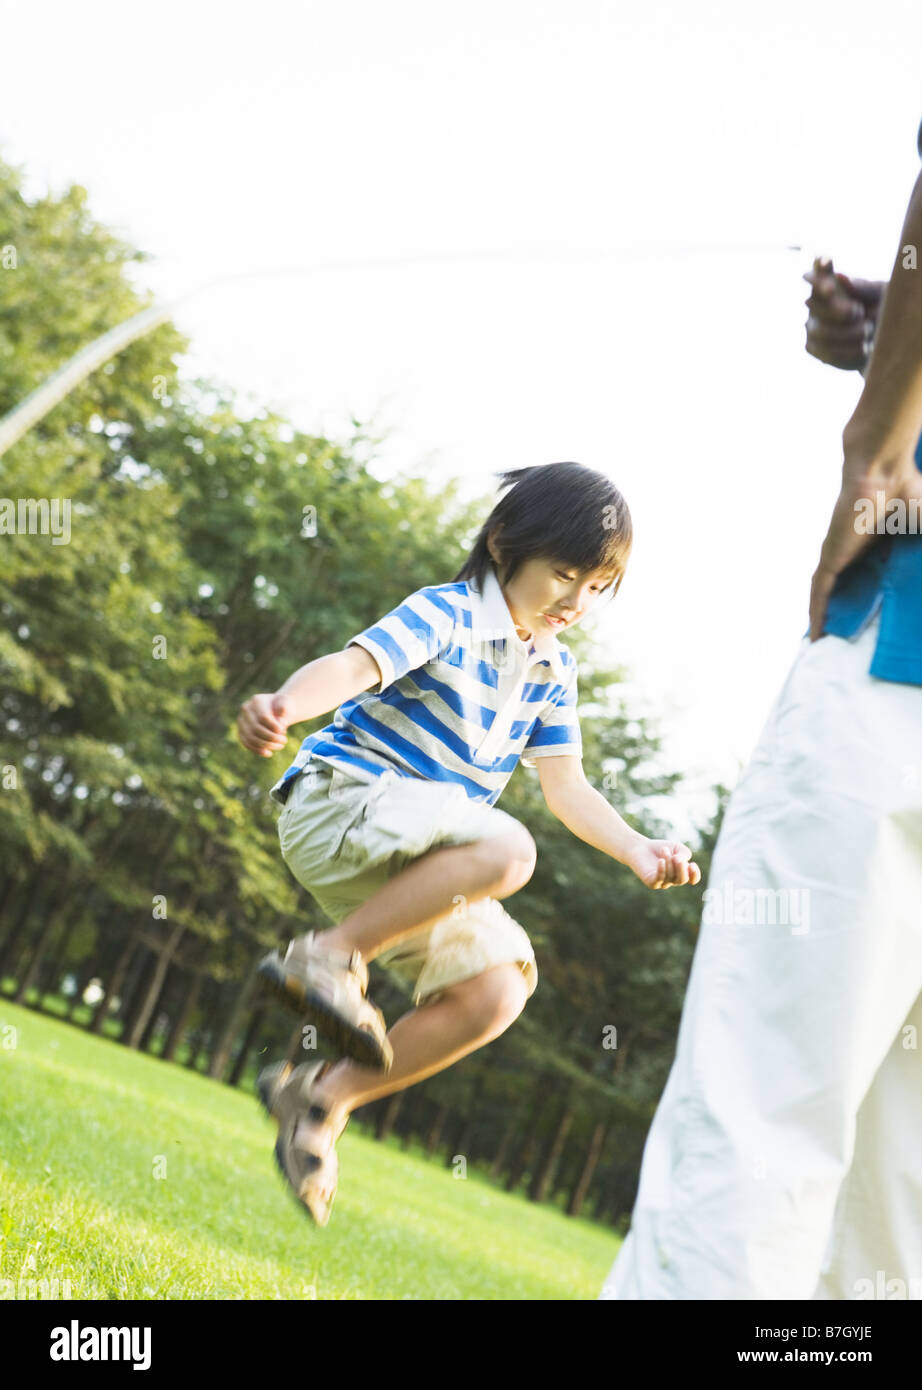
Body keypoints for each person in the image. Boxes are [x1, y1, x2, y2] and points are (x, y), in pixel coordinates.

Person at [600, 115, 922, 1301]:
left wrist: (876, 447)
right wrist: (886, 330)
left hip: (899, 667)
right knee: (896, 1220)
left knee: (761, 1127)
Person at [236, 460, 701, 1224]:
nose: (577, 601)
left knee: (497, 992)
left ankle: (318, 1100)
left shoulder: (553, 670)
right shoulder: (447, 613)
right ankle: (326, 956)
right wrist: (286, 704)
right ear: (502, 543)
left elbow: (569, 788)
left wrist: (637, 849)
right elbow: (354, 668)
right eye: (564, 574)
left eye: (597, 586)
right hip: (339, 803)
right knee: (510, 852)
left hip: (408, 857)